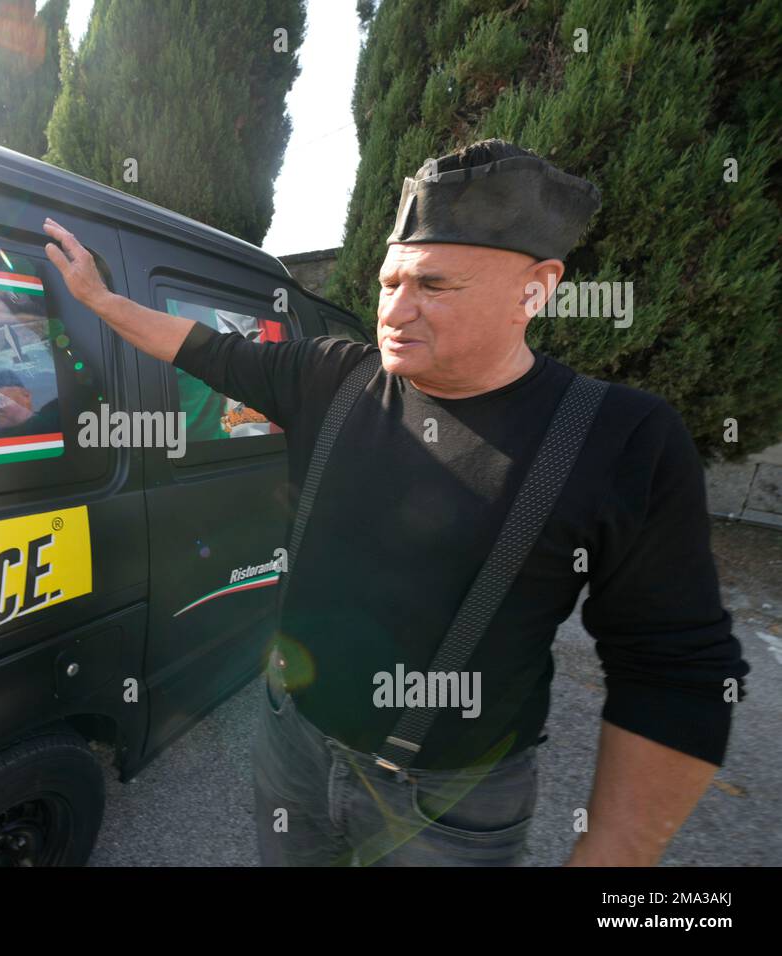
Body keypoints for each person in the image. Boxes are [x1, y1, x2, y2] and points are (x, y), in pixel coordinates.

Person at [41, 139, 749, 867]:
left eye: (434, 287)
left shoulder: (620, 436)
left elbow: (675, 671)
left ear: (534, 290)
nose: (396, 312)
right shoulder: (332, 376)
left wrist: (613, 856)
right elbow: (198, 348)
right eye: (389, 284)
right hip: (292, 746)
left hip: (447, 804)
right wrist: (99, 299)